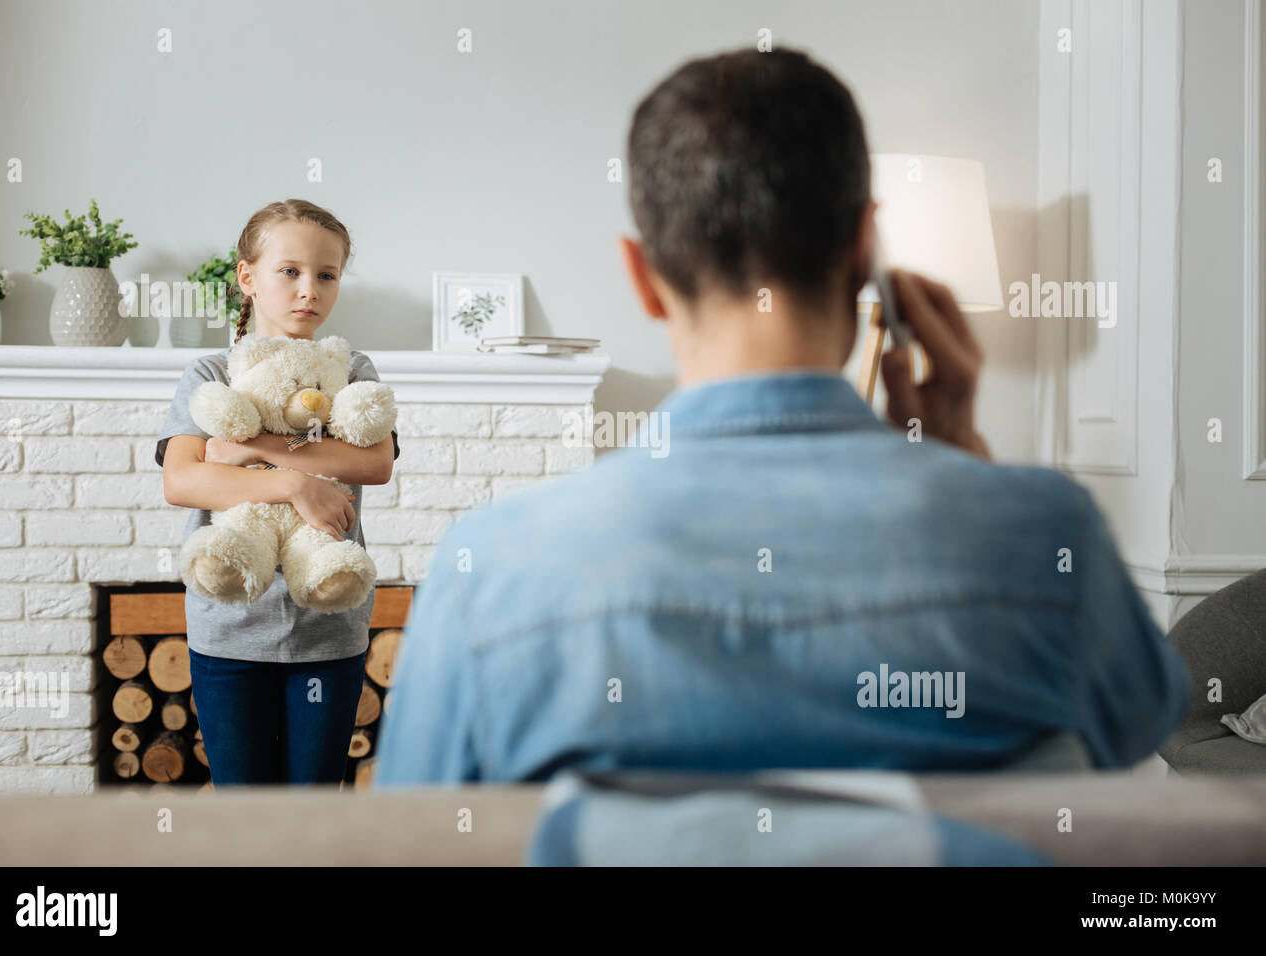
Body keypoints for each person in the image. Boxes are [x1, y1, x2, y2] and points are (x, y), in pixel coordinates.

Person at [373, 47, 1189, 785]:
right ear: (866, 251)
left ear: (643, 277)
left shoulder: (490, 569)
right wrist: (968, 473)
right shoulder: (1046, 534)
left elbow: (415, 837)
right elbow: (1138, 739)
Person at [157, 199, 399, 785]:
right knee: (245, 812)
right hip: (230, 627)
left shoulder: (350, 369)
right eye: (288, 271)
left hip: (329, 629)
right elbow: (184, 478)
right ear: (248, 276)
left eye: (326, 274)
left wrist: (257, 447)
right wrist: (296, 484)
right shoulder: (209, 375)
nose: (307, 290)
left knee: (311, 809)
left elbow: (374, 461)